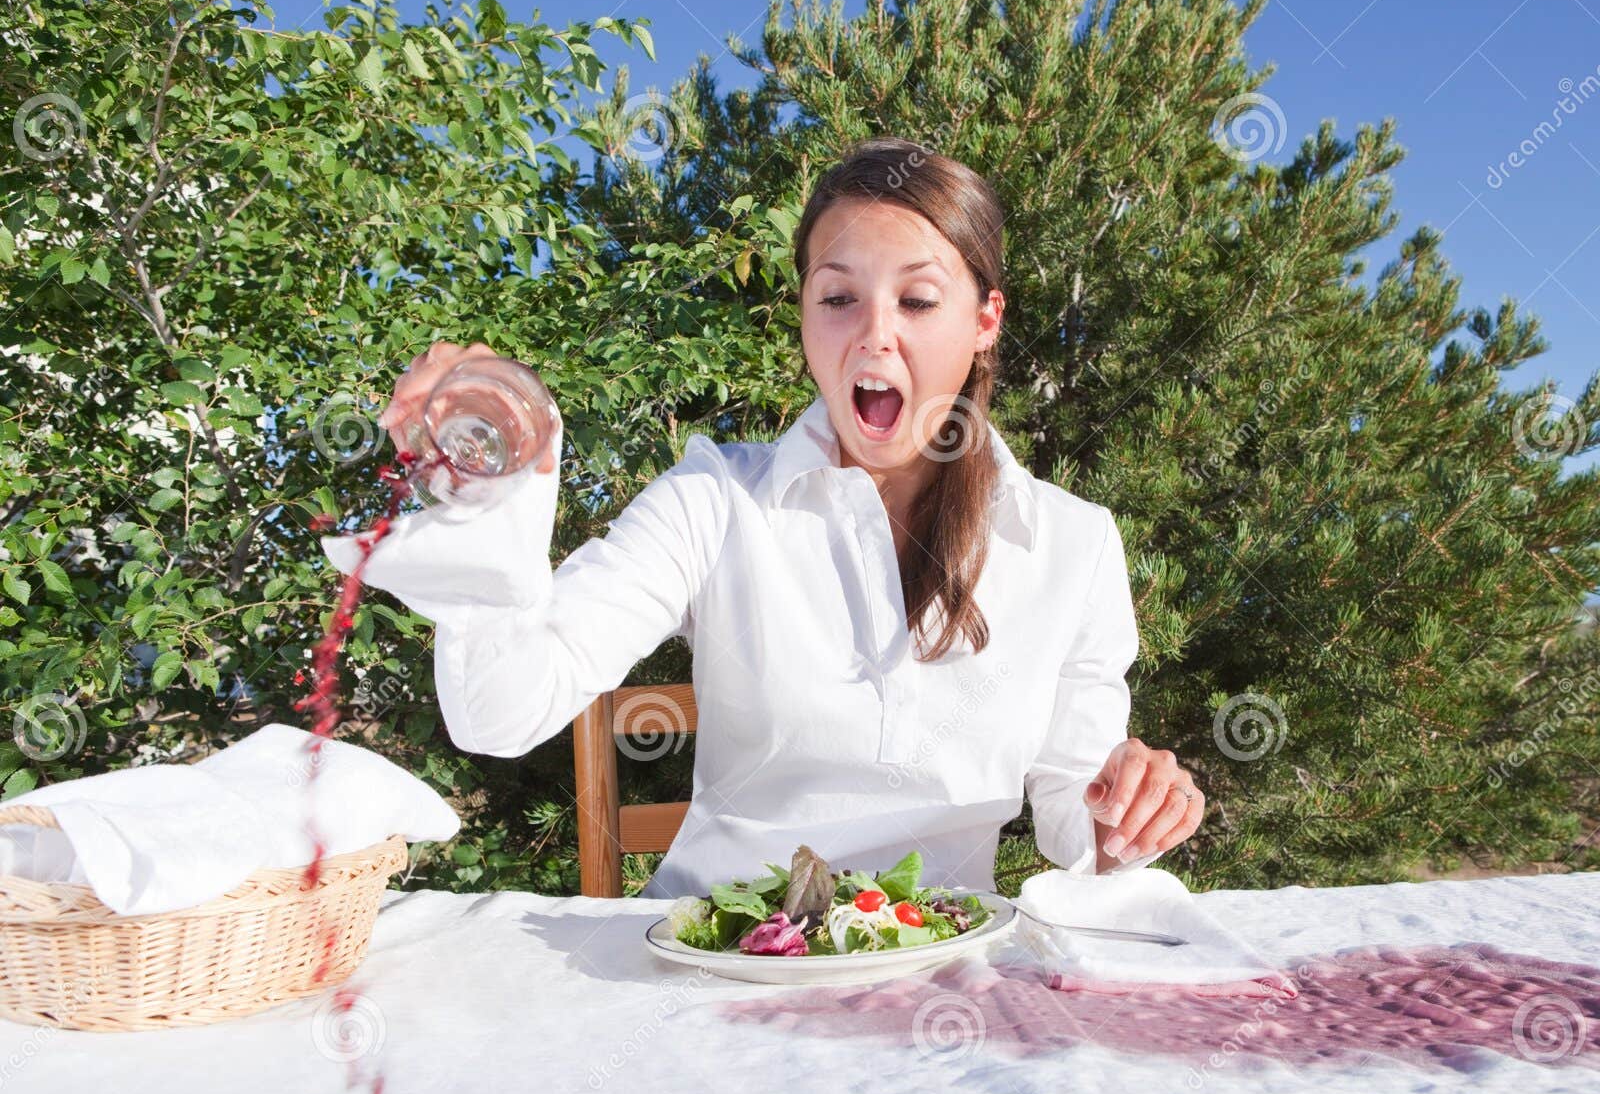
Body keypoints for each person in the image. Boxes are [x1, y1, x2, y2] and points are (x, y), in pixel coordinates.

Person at [327, 136, 1205, 899]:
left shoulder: (1075, 545)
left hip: (930, 981)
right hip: (713, 972)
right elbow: (498, 713)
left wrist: (1126, 805)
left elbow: (1076, 822)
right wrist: (492, 487)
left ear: (985, 320)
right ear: (803, 318)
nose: (874, 335)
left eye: (918, 300)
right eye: (838, 297)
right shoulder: (715, 500)